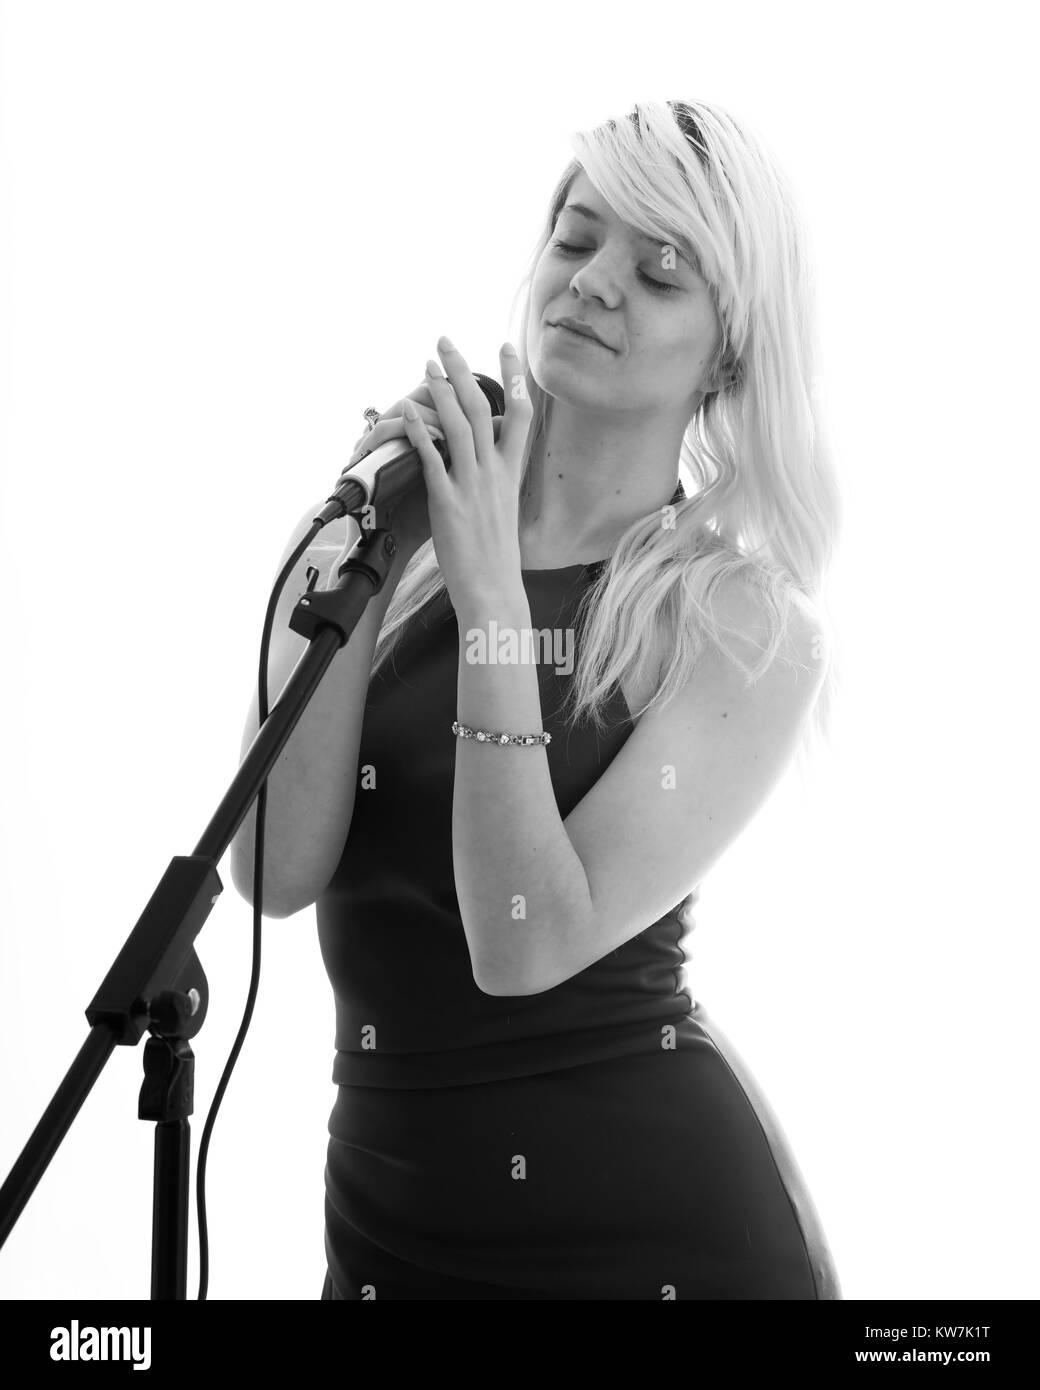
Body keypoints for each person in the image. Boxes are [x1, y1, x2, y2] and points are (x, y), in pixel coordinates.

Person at [233, 98, 842, 1299]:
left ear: (727, 350)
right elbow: (274, 868)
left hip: (654, 1237)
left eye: (660, 271)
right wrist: (350, 531)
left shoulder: (739, 623)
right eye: (575, 238)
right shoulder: (400, 528)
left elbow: (522, 940)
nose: (595, 283)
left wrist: (492, 602)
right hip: (387, 1220)